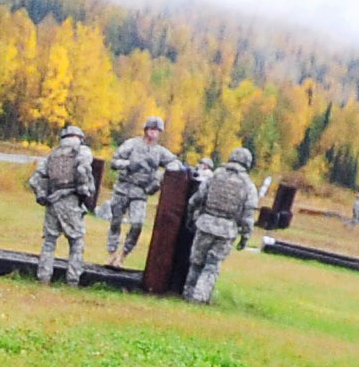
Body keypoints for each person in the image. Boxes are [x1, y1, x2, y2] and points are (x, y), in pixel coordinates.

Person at [182, 146, 260, 305]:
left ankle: (188, 293)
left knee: (196, 262)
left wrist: (191, 218)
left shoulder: (215, 176)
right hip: (227, 231)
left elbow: (195, 200)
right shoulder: (248, 185)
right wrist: (245, 237)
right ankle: (200, 297)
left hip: (205, 224)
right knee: (212, 265)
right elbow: (248, 216)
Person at [103, 116, 180, 268]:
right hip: (123, 188)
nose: (154, 133)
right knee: (115, 222)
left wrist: (159, 177)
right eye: (152, 129)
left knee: (137, 224)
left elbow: (175, 164)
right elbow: (114, 161)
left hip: (140, 192)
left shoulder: (159, 152)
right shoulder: (131, 144)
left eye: (157, 131)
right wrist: (128, 164)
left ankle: (123, 256)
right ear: (146, 130)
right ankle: (112, 254)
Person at [29, 124, 101, 284]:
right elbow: (83, 171)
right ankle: (73, 280)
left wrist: (42, 195)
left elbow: (35, 179)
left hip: (52, 202)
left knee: (49, 241)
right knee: (76, 241)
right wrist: (84, 192)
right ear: (79, 138)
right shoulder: (82, 151)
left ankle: (44, 278)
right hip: (70, 200)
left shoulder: (53, 154)